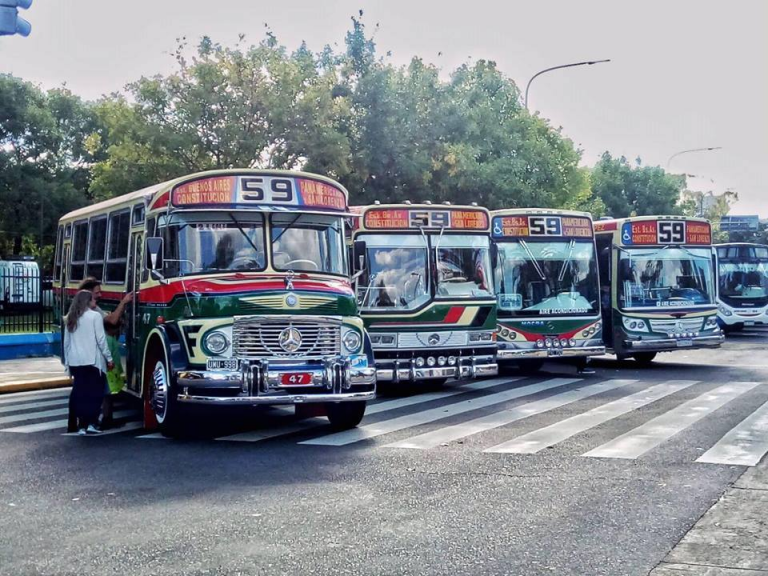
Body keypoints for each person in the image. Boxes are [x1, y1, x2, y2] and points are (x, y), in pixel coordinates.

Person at [63, 290, 114, 436]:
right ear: (87, 301)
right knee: (95, 394)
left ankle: (81, 425)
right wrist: (109, 359)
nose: (95, 302)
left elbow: (66, 343)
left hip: (75, 362)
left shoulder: (70, 318)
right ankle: (91, 422)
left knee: (81, 393)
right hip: (93, 362)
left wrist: (67, 364)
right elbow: (101, 340)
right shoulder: (95, 316)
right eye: (93, 300)